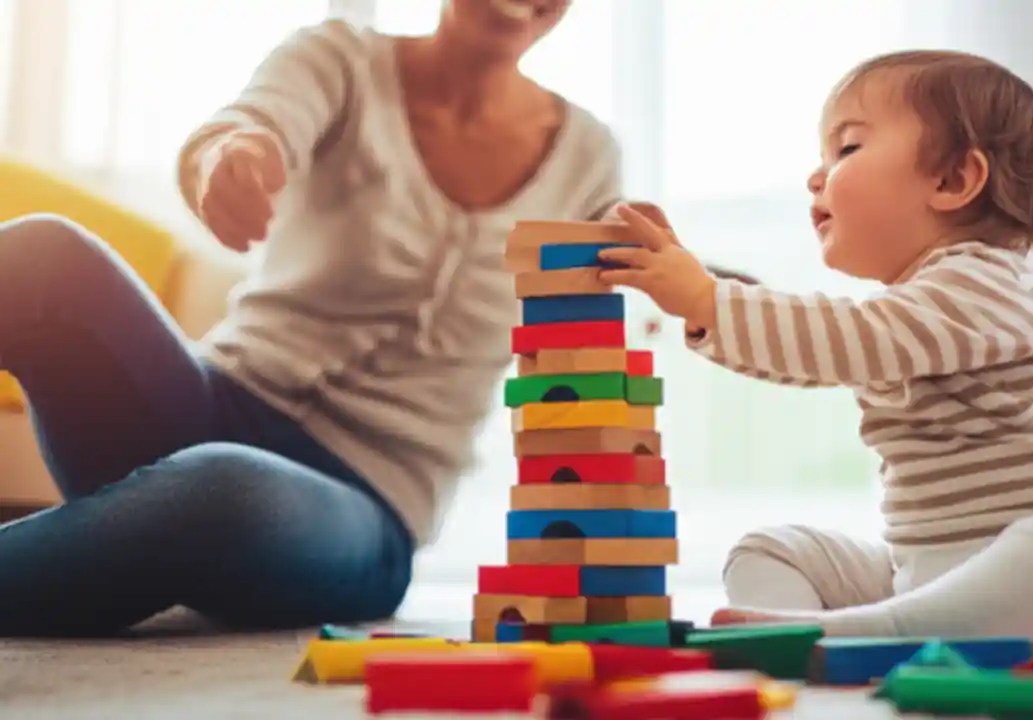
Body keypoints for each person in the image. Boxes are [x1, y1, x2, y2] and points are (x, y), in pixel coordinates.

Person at [0, 0, 622, 636]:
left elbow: (621, 275)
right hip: (206, 407)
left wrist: (688, 287)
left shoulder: (589, 157)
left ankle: (120, 533)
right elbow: (253, 124)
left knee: (220, 490)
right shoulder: (341, 61)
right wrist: (232, 157)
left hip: (361, 511)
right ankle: (123, 532)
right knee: (45, 255)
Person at [599, 50, 1033, 657]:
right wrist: (698, 298)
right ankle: (814, 638)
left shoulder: (988, 282)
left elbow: (847, 338)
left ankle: (867, 634)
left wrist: (708, 299)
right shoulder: (906, 313)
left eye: (847, 150)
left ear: (953, 181)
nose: (816, 176)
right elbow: (821, 348)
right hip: (926, 578)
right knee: (768, 549)